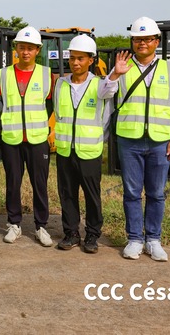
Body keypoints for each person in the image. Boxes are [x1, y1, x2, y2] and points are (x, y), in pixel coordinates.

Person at [100, 16, 170, 262]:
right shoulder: (123, 66)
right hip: (130, 140)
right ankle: (135, 239)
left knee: (157, 192)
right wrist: (116, 75)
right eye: (138, 39)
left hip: (159, 140)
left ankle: (154, 240)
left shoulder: (169, 69)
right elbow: (105, 94)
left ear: (156, 41)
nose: (142, 43)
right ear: (132, 41)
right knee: (131, 192)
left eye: (147, 39)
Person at [53, 35, 109, 254]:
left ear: (91, 60)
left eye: (80, 59)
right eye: (72, 58)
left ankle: (93, 234)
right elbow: (58, 114)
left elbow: (106, 117)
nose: (75, 63)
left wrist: (98, 140)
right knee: (67, 193)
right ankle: (71, 233)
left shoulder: (100, 85)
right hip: (66, 149)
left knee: (91, 195)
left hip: (89, 150)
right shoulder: (60, 84)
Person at [0, 26, 54, 246]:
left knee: (39, 184)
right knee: (13, 183)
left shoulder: (46, 74)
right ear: (16, 49)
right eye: (22, 47)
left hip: (37, 139)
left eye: (30, 48)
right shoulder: (4, 74)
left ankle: (41, 226)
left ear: (37, 50)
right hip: (12, 138)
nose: (25, 52)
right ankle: (14, 224)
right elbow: (1, 102)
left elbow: (51, 105)